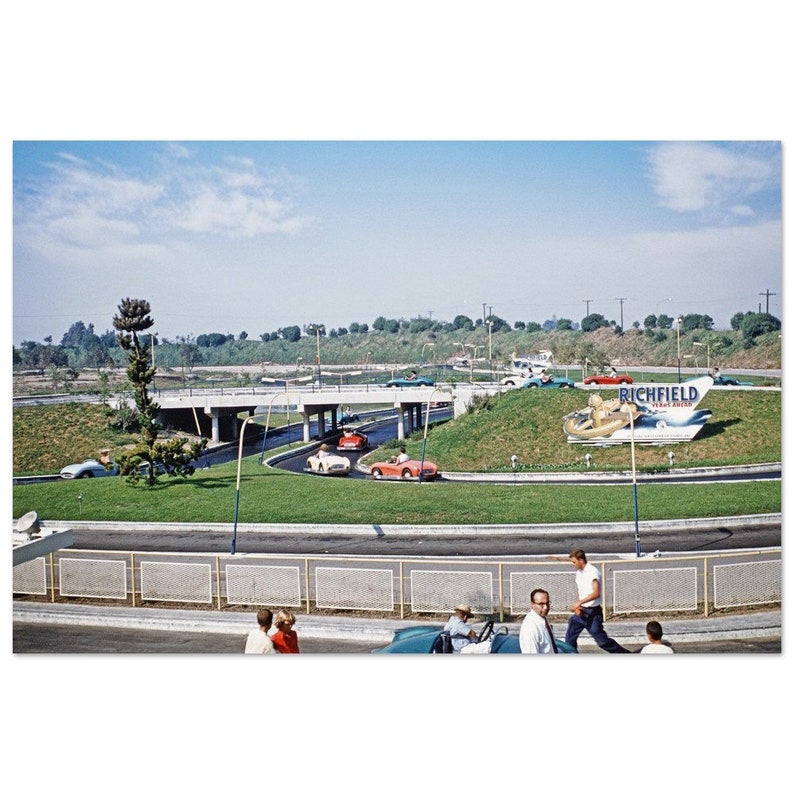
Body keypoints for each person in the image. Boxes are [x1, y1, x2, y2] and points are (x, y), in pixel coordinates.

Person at [565, 549, 631, 653]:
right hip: (582, 611)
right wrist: (578, 606)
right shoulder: (579, 573)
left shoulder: (593, 572)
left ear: (581, 560)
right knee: (570, 638)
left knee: (602, 642)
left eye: (574, 562)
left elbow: (596, 593)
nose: (573, 564)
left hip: (592, 613)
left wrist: (579, 602)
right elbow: (581, 592)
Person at [519, 588, 557, 654]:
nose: (546, 607)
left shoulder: (541, 618)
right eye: (541, 604)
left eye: (547, 603)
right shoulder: (531, 628)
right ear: (532, 604)